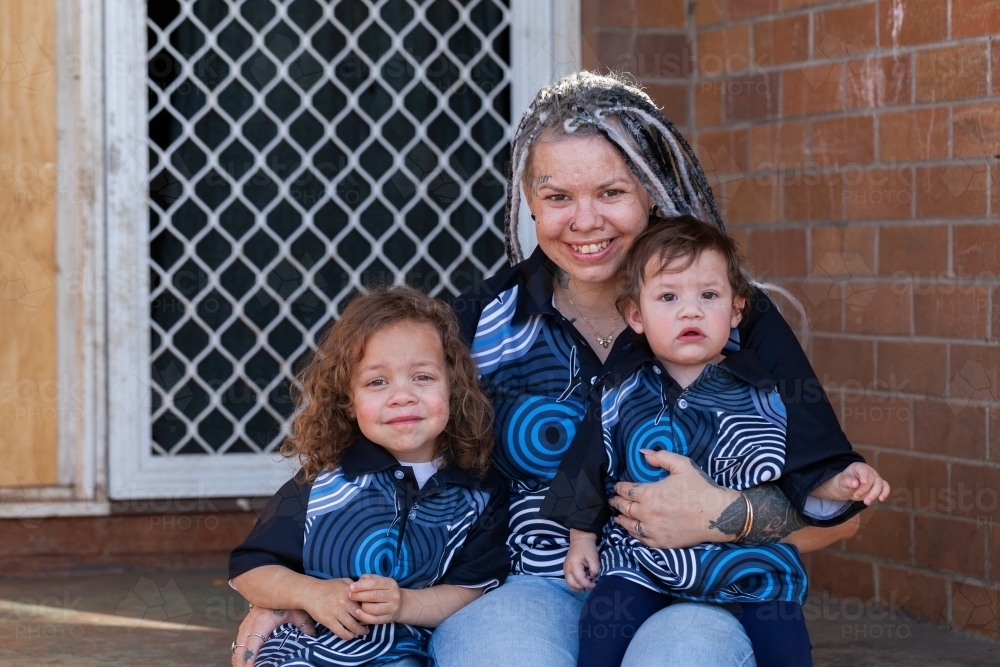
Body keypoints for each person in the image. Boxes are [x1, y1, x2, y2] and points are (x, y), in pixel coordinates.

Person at [232, 71, 871, 667]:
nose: (584, 221)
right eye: (558, 196)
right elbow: (378, 457)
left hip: (707, 589)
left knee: (685, 655)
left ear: (650, 191)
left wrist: (721, 514)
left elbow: (840, 509)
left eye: (612, 192)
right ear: (529, 202)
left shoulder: (732, 318)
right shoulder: (480, 323)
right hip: (529, 586)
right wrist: (298, 586)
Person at [544, 216, 890, 667]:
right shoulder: (620, 391)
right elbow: (588, 464)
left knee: (787, 649)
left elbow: (807, 465)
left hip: (750, 566)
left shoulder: (766, 392)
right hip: (643, 564)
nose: (691, 311)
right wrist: (581, 540)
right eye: (668, 297)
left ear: (736, 310)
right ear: (635, 315)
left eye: (708, 296)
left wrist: (844, 480)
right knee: (600, 627)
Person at [227, 287, 509, 666]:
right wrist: (311, 593)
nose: (402, 396)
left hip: (403, 652)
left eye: (422, 377)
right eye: (377, 382)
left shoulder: (478, 492)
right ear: (348, 400)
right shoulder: (323, 483)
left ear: (454, 388)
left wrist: (405, 603)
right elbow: (250, 569)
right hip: (308, 649)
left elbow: (469, 588)